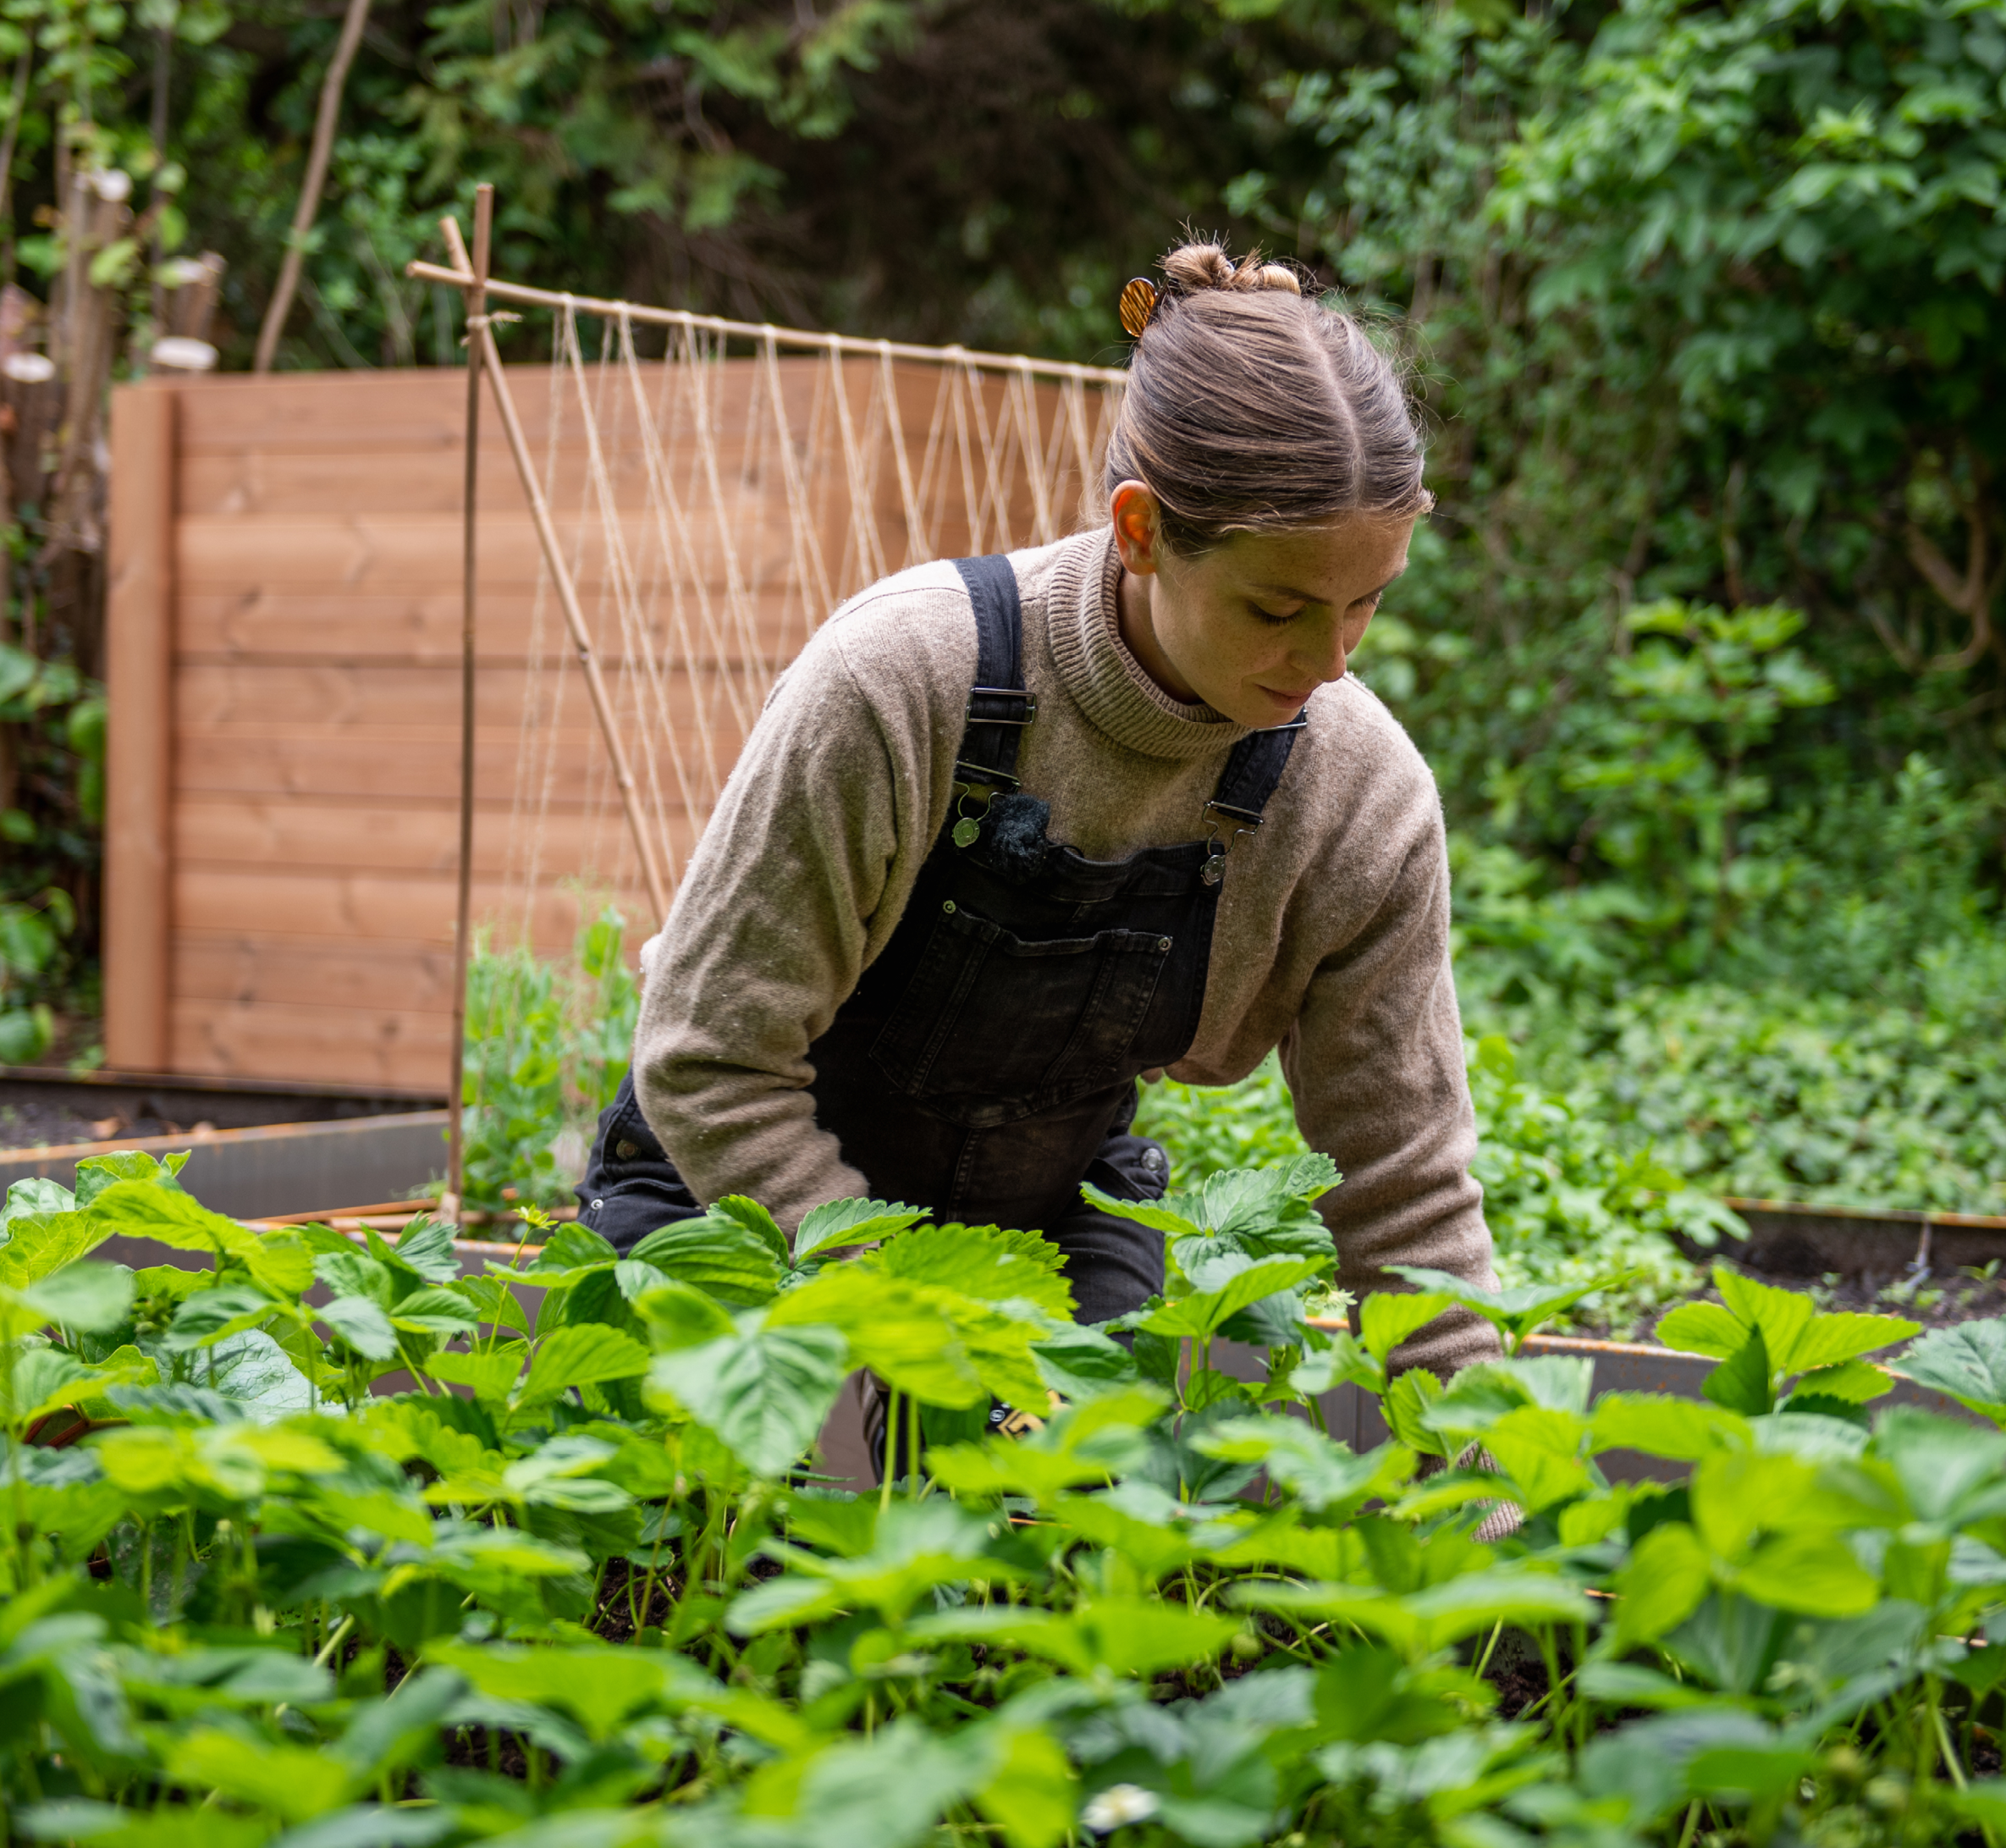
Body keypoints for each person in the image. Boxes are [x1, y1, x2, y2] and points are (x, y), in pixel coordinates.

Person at [576, 239, 1501, 1397]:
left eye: (1366, 602)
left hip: (1045, 1221)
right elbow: (708, 1055)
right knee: (711, 1504)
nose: (1330, 661)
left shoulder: (1358, 793)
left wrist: (1486, 1464)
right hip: (737, 1190)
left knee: (1082, 1499)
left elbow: (1405, 1191)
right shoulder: (904, 679)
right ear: (1141, 531)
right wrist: (917, 1340)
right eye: (1278, 610)